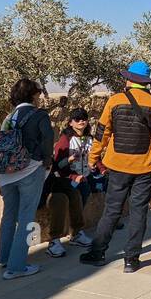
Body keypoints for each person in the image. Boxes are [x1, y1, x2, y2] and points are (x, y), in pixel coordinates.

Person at [81, 61, 151, 271]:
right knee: (139, 212)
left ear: (129, 79)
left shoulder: (115, 101)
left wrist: (94, 157)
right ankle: (132, 259)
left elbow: (102, 132)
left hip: (118, 165)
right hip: (145, 166)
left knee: (112, 210)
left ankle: (97, 252)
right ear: (146, 82)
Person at [0, 78, 55, 280]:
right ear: (33, 95)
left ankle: (4, 257)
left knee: (9, 216)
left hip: (6, 173)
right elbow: (48, 139)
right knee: (27, 218)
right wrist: (47, 161)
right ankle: (17, 266)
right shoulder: (39, 115)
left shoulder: (9, 117)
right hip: (30, 169)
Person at [40, 108, 96, 257]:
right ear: (70, 123)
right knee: (60, 200)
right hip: (54, 183)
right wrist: (70, 166)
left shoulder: (87, 138)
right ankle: (54, 241)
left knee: (76, 195)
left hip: (69, 180)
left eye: (84, 118)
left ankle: (76, 233)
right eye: (77, 119)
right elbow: (58, 165)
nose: (81, 121)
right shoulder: (65, 140)